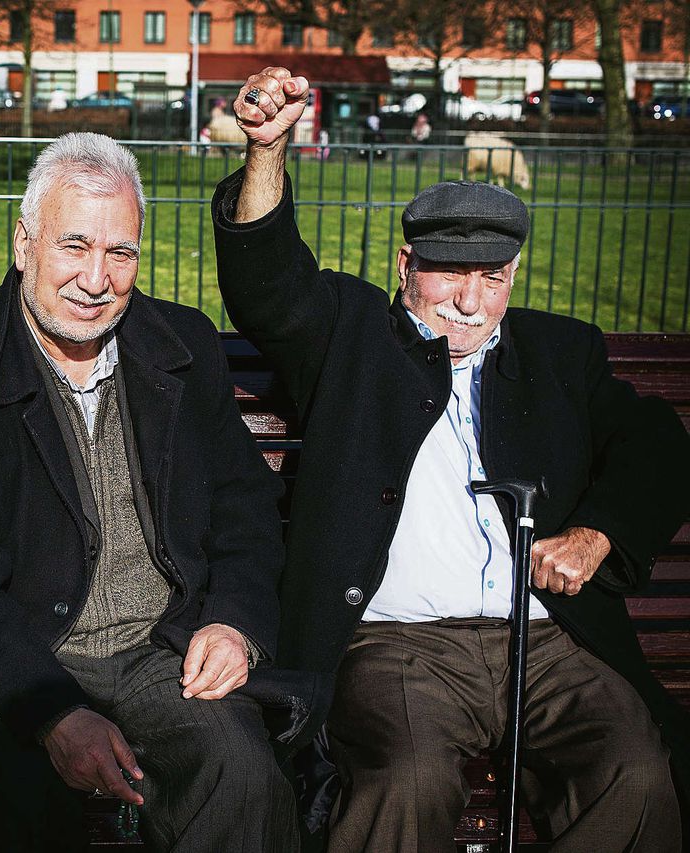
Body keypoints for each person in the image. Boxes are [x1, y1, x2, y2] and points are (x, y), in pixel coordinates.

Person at [213, 66, 690, 851]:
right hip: (399, 646)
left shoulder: (559, 353)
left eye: (492, 278)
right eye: (449, 273)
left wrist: (599, 532)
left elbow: (660, 444)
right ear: (405, 266)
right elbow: (267, 285)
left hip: (544, 639)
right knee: (408, 776)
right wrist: (269, 149)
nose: (470, 301)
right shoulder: (352, 335)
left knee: (636, 770)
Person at [0, 132, 314, 852]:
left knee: (240, 773)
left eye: (121, 253)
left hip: (161, 651)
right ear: (24, 244)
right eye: (73, 246)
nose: (96, 278)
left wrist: (234, 621)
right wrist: (55, 713)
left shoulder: (180, 345)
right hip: (14, 660)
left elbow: (244, 508)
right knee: (13, 804)